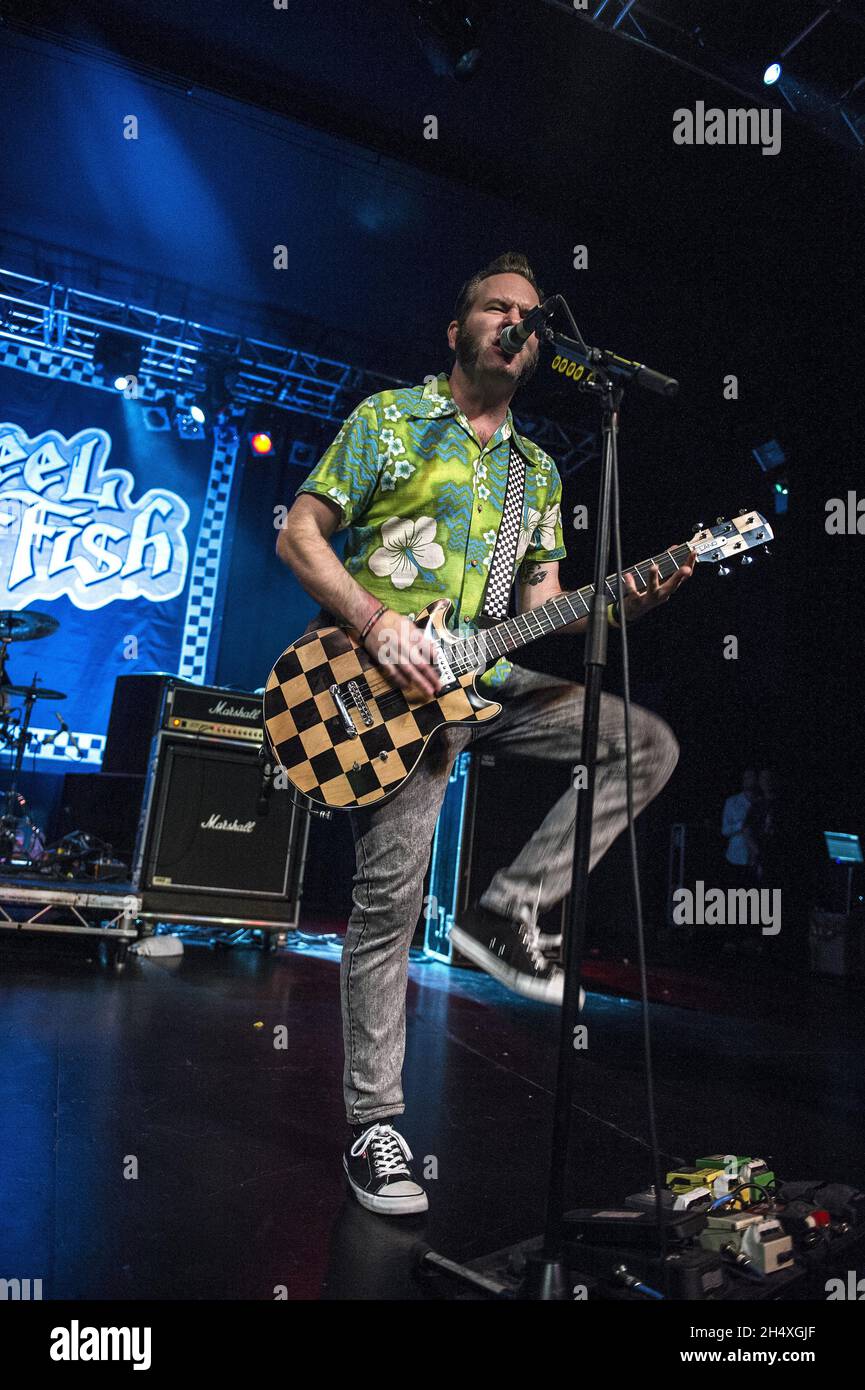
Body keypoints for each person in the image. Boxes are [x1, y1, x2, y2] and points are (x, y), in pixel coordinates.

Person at [277, 252, 693, 1215]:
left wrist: (630, 600)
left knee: (644, 742)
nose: (516, 321)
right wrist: (379, 626)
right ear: (457, 329)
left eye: (531, 315)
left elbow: (546, 610)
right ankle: (376, 1128)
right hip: (377, 689)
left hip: (486, 683)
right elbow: (300, 534)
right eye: (497, 308)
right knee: (389, 904)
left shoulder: (536, 473)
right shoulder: (389, 421)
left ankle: (512, 910)